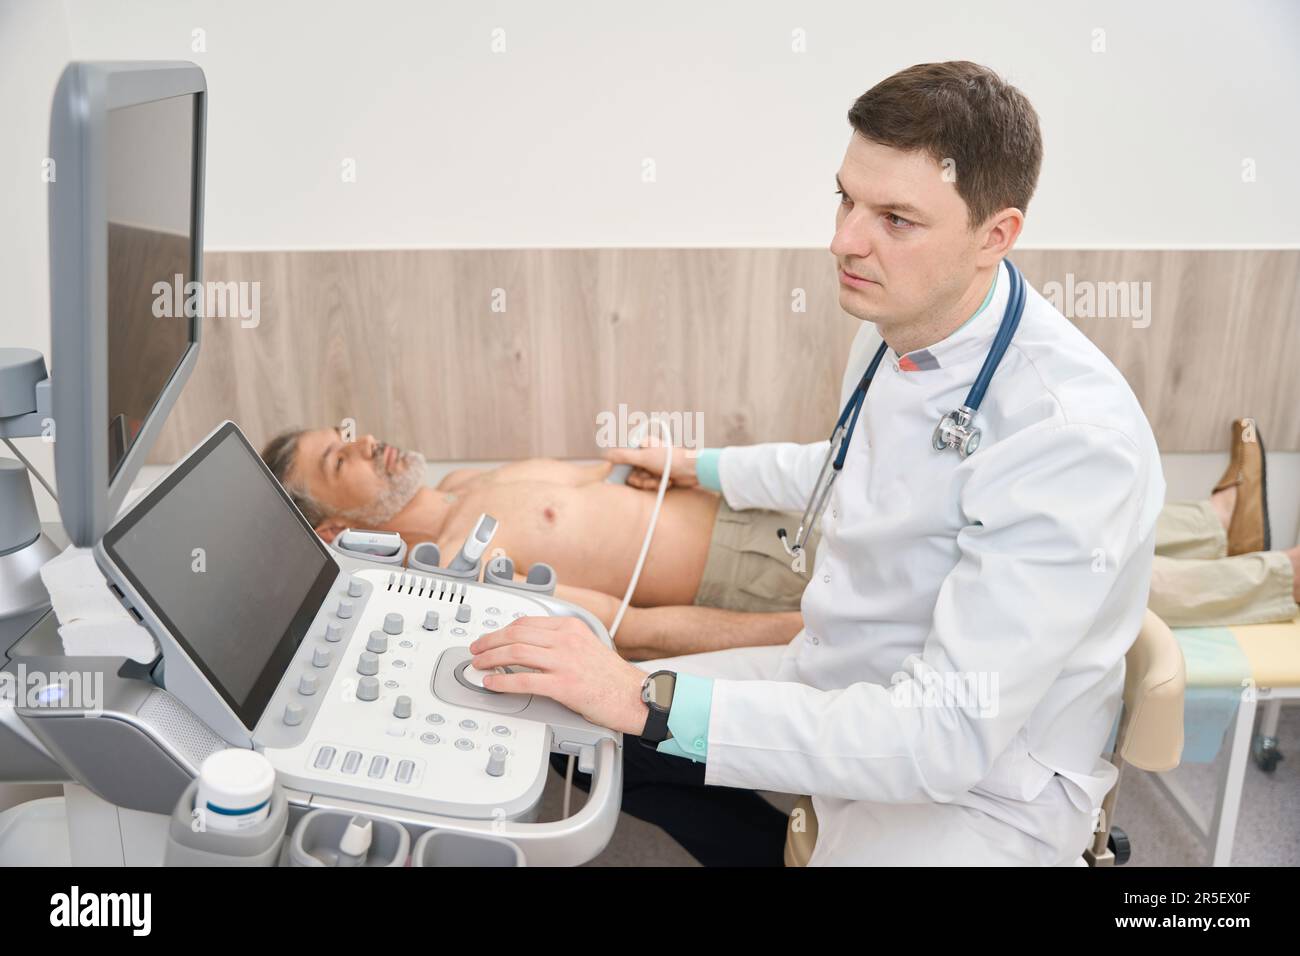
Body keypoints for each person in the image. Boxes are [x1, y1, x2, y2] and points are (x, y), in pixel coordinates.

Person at [469, 61, 1170, 866]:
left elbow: (941, 739)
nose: (844, 241)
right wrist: (705, 465)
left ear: (996, 236)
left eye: (896, 218)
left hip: (981, 787)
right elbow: (851, 465)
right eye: (845, 198)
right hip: (844, 674)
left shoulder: (1072, 438)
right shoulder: (893, 323)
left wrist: (642, 694)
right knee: (572, 722)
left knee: (637, 704)